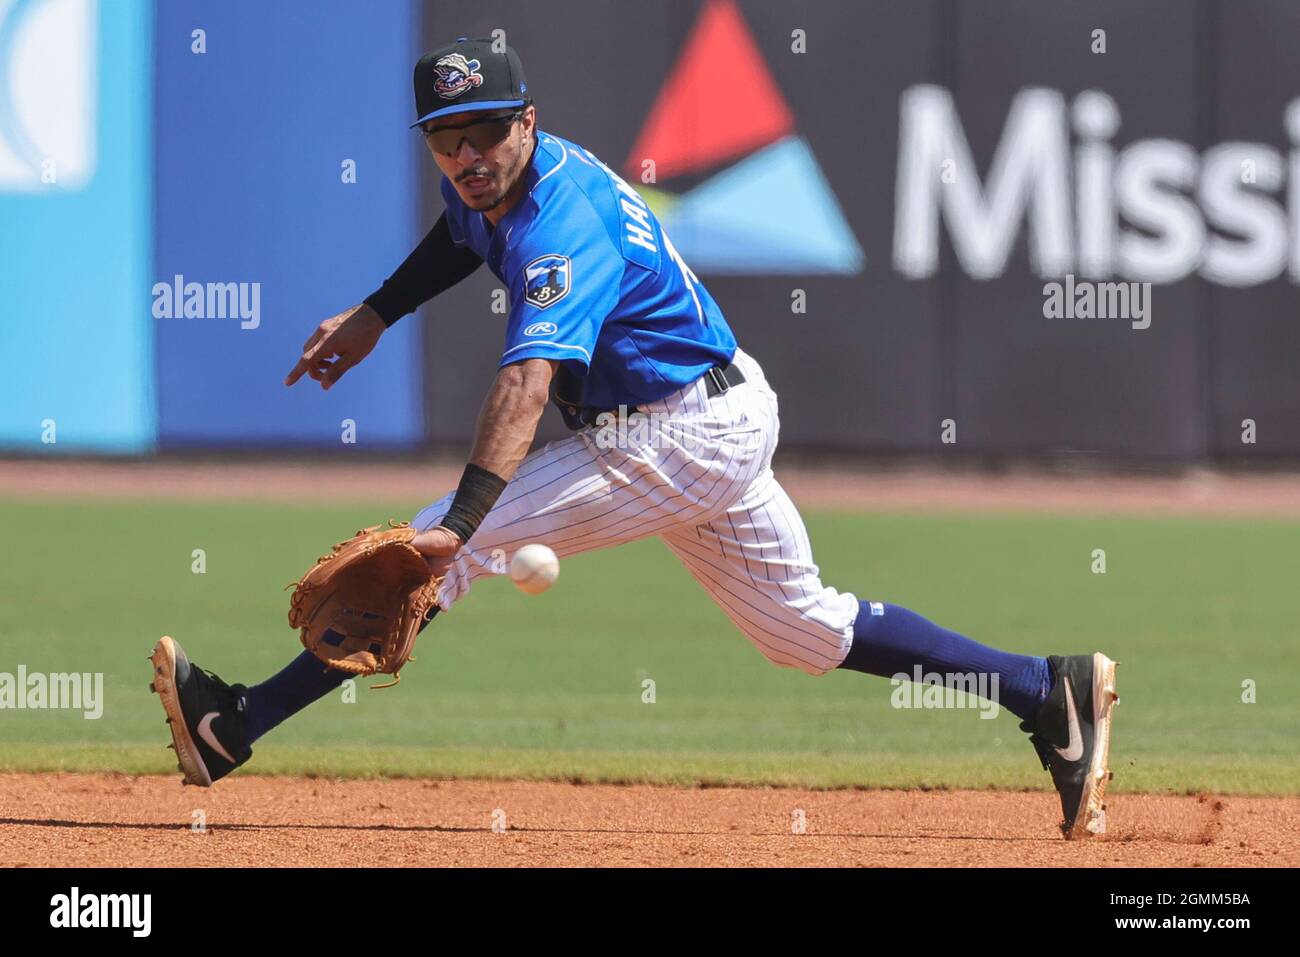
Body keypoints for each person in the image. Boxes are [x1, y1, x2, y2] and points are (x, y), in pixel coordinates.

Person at [149, 37, 1118, 838]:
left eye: (487, 129)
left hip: (676, 433)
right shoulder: (492, 183)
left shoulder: (559, 226)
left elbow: (527, 381)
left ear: (527, 120)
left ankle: (237, 722)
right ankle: (1045, 690)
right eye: (446, 137)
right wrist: (376, 312)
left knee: (436, 546)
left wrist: (467, 522)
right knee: (801, 630)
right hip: (708, 418)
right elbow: (460, 233)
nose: (467, 153)